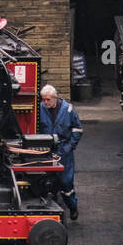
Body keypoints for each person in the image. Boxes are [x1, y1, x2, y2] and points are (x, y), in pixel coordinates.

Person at [39, 84, 83, 220]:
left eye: (48, 100)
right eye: (43, 99)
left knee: (66, 182)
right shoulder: (40, 108)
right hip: (46, 150)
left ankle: (72, 207)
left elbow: (77, 130)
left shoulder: (68, 110)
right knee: (46, 180)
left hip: (63, 150)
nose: (45, 102)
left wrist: (69, 147)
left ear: (55, 98)